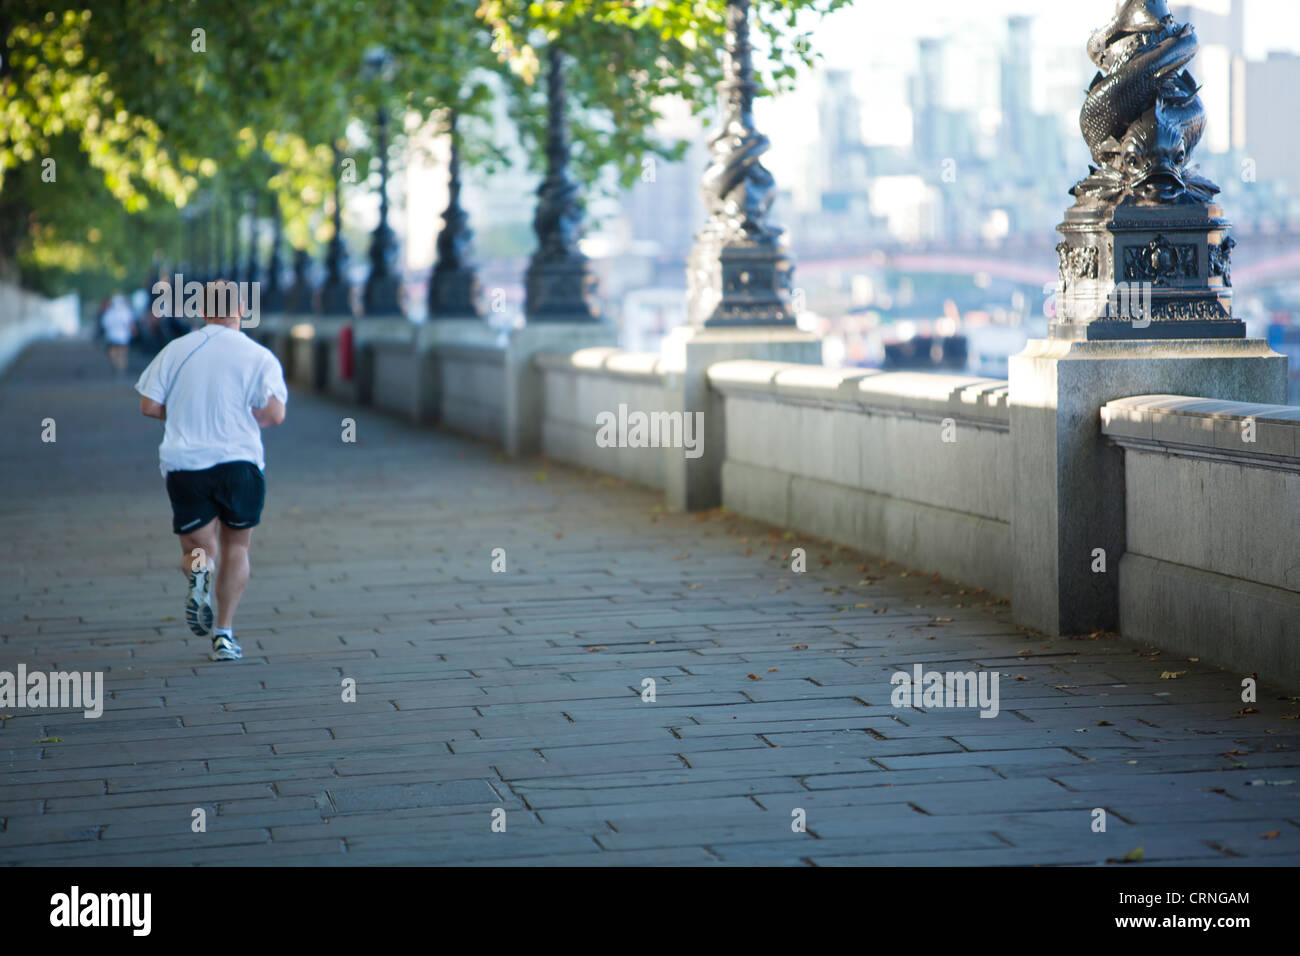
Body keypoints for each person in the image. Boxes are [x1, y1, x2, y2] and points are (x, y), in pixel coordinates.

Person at [134, 280, 288, 661]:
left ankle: (199, 574)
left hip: (187, 464)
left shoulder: (176, 350)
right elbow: (274, 414)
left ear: (202, 312)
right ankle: (224, 635)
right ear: (240, 310)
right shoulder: (259, 355)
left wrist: (186, 413)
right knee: (238, 545)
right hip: (240, 461)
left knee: (200, 549)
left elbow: (149, 406)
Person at [100, 293, 135, 374]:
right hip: (123, 336)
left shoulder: (109, 312)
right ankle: (121, 368)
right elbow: (130, 324)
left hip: (112, 336)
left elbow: (105, 324)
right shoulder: (126, 311)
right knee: (123, 353)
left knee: (114, 352)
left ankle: (116, 366)